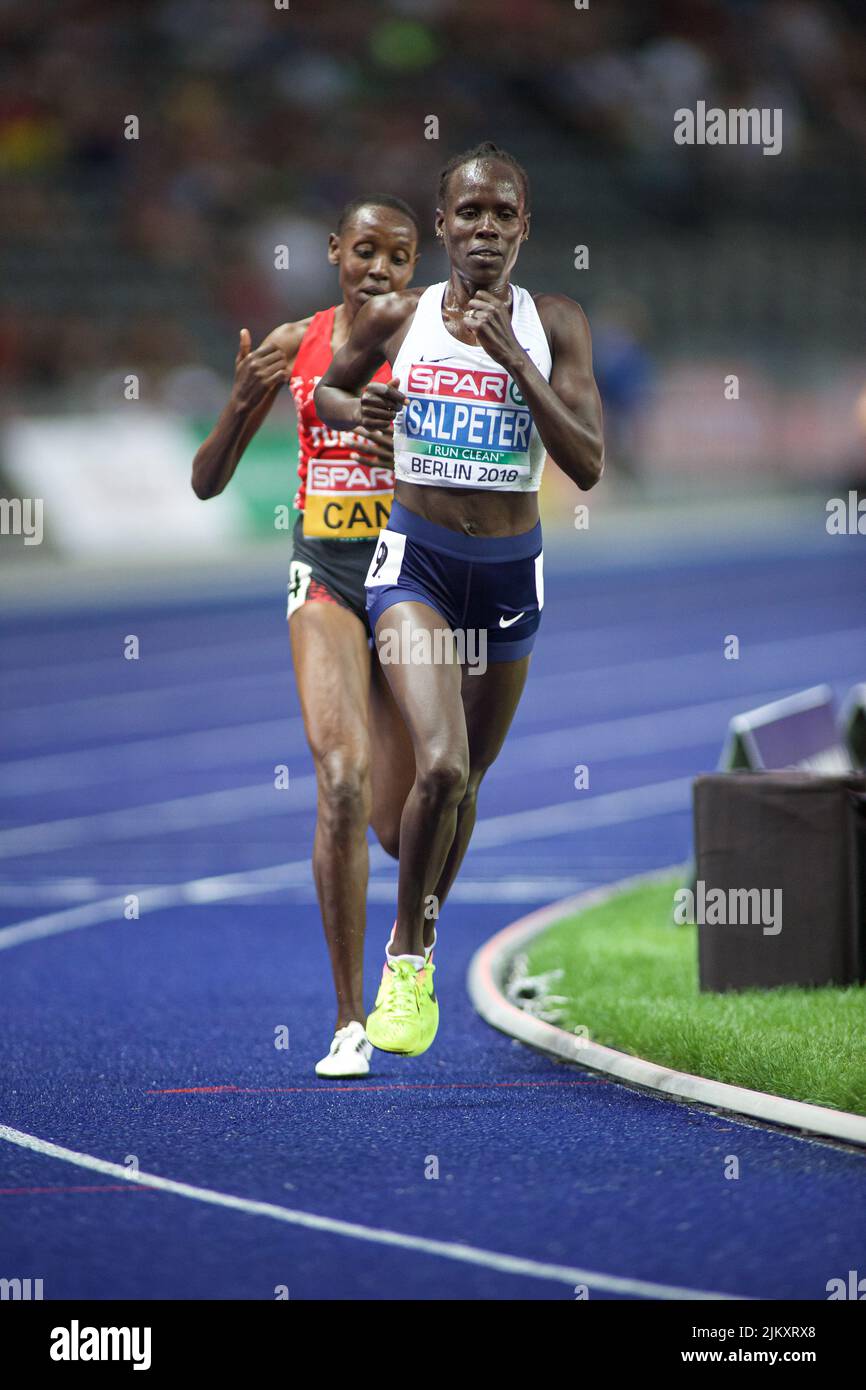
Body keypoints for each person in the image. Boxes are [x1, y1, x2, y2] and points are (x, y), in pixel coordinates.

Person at [315, 142, 604, 1058]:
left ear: (525, 229)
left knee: (469, 780)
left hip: (510, 574)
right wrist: (351, 416)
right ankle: (409, 957)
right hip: (416, 567)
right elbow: (328, 386)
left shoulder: (555, 320)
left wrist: (515, 357)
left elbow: (588, 463)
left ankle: (422, 932)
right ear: (440, 226)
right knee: (439, 766)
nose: (485, 229)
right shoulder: (396, 316)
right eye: (468, 213)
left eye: (502, 214)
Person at [192, 195, 421, 1077]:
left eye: (398, 258)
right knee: (341, 780)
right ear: (335, 251)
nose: (379, 269)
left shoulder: (430, 347)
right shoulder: (293, 344)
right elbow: (209, 481)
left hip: (411, 584)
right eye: (365, 251)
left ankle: (412, 959)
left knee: (405, 828)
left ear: (412, 267)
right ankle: (347, 1021)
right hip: (324, 579)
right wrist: (239, 400)